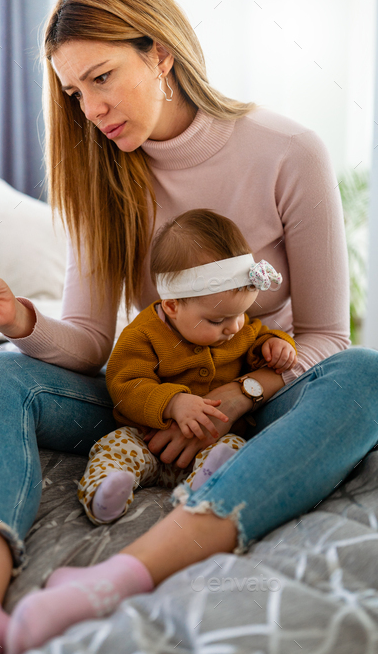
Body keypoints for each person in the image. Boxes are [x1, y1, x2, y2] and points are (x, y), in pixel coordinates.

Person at [0, 0, 378, 654]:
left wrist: (242, 392)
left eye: (101, 77)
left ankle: (126, 572)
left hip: (262, 391)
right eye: (72, 92)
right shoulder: (102, 172)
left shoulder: (287, 151)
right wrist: (17, 318)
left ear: (161, 53)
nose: (89, 108)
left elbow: (325, 336)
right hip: (145, 397)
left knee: (366, 373)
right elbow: (91, 342)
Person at [78, 208, 297, 526]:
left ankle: (206, 485)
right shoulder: (143, 335)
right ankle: (106, 491)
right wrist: (173, 402)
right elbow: (125, 383)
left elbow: (258, 342)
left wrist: (276, 345)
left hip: (212, 442)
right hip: (150, 441)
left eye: (241, 314)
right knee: (115, 447)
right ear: (172, 306)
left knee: (235, 448)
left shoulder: (240, 328)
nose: (235, 327)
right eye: (218, 320)